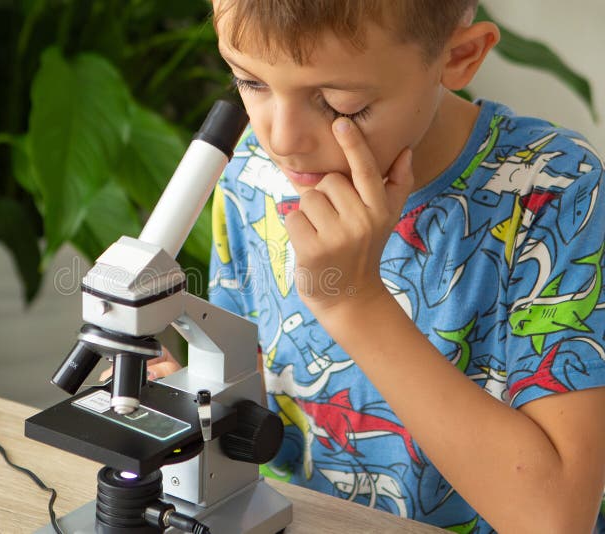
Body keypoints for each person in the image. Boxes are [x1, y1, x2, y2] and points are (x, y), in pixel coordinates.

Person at [142, 1, 605, 531]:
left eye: (341, 105)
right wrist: (199, 406)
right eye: (250, 82)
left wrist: (351, 300)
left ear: (460, 57)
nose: (281, 139)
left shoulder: (555, 190)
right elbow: (268, 421)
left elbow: (555, 519)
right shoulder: (252, 172)